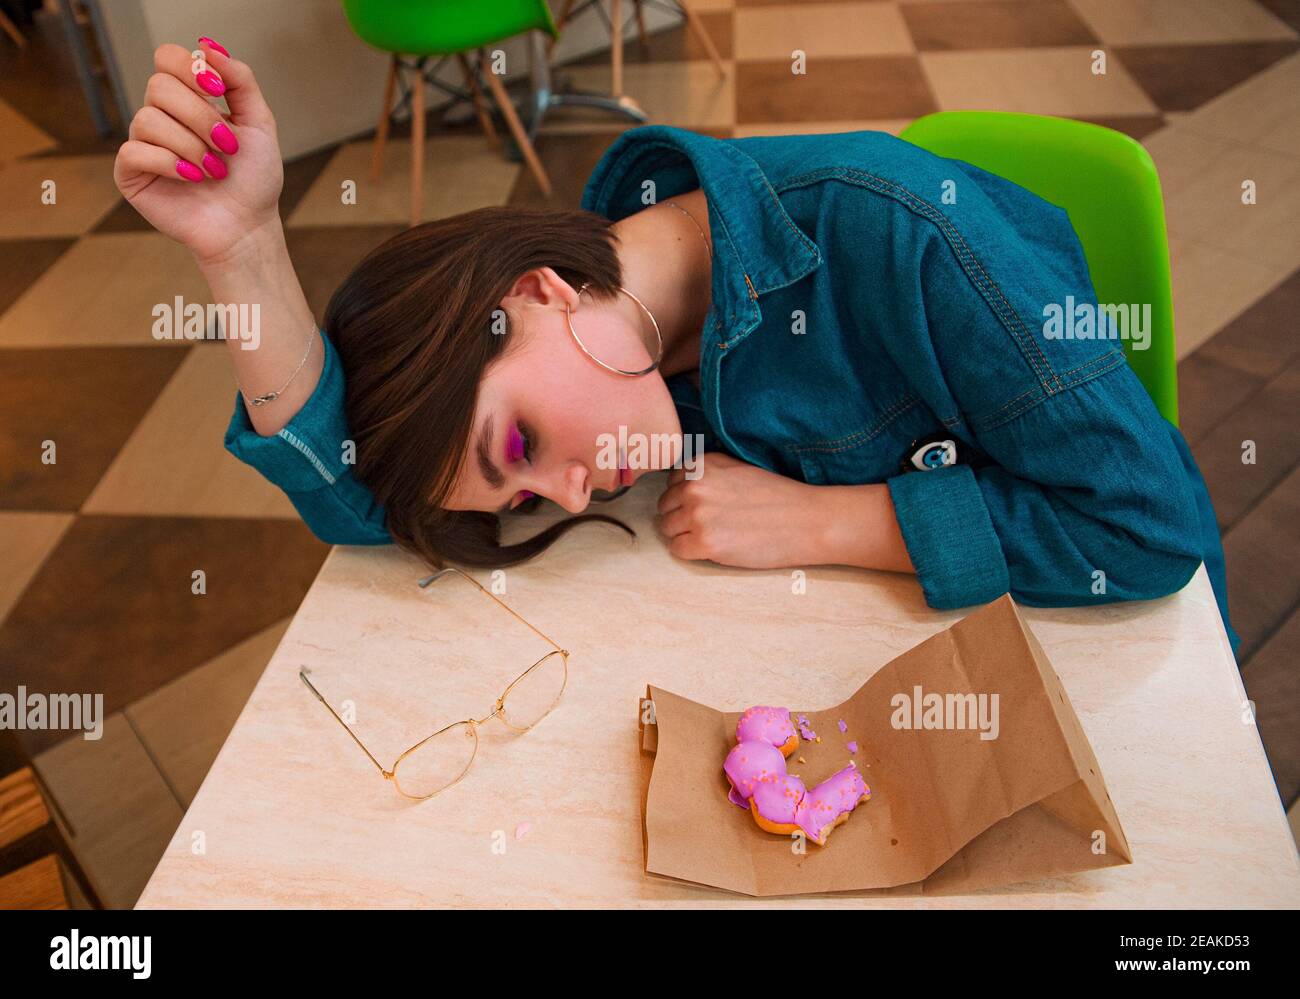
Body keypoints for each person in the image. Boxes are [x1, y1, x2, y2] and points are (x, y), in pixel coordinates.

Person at [113, 38, 1239, 655]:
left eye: (519, 442)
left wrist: (838, 520)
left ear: (538, 291)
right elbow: (372, 503)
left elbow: (1148, 533)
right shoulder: (616, 319)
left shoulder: (899, 234)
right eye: (523, 498)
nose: (566, 489)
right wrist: (243, 248)